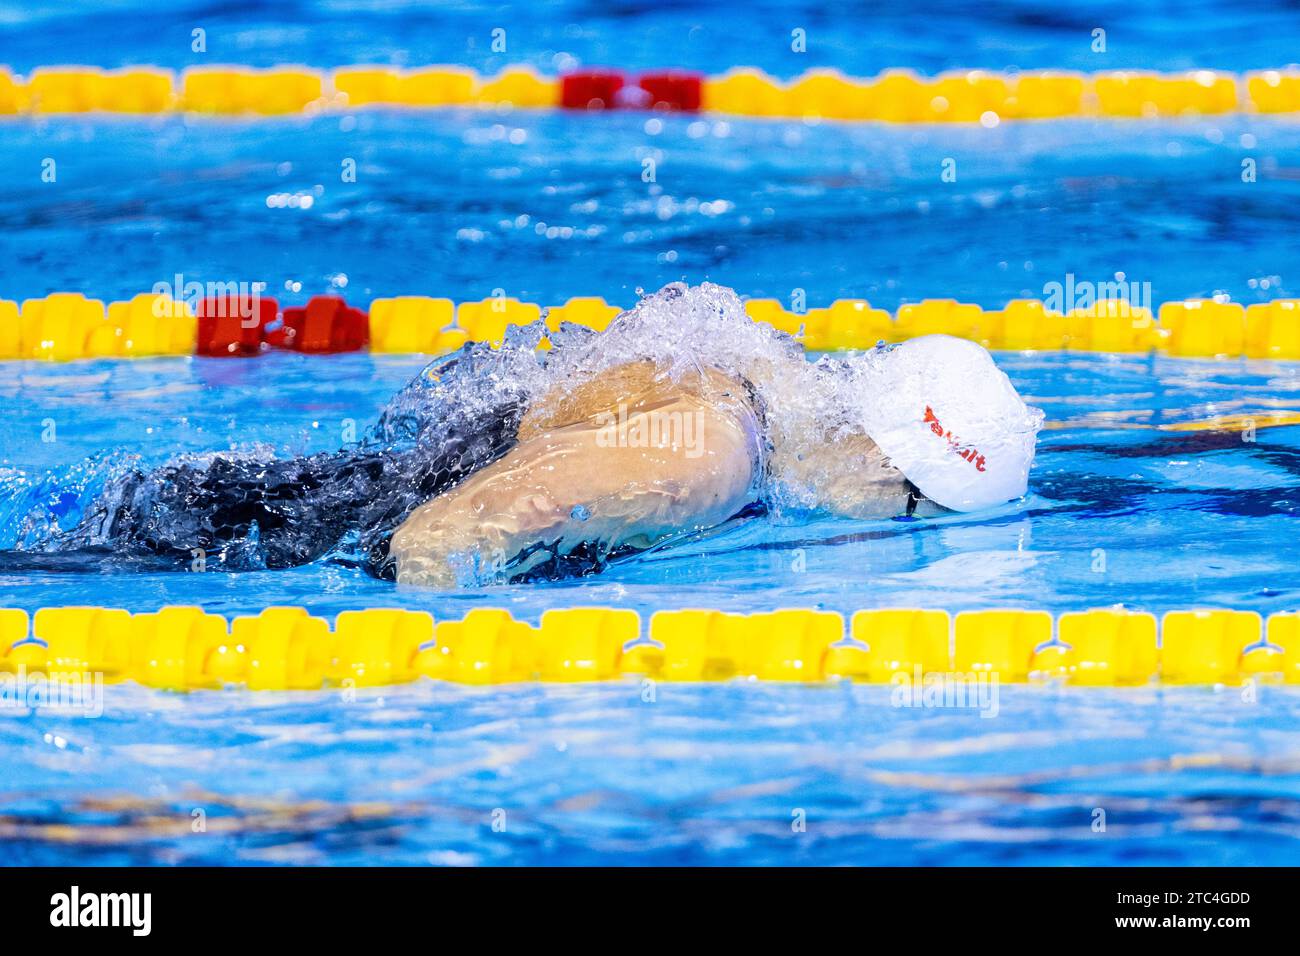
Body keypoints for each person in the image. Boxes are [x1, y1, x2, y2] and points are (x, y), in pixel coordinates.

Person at [1, 285, 1042, 587]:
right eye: (919, 514)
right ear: (884, 461)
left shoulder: (761, 372)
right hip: (269, 535)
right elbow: (439, 540)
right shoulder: (703, 458)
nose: (897, 533)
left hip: (300, 485)